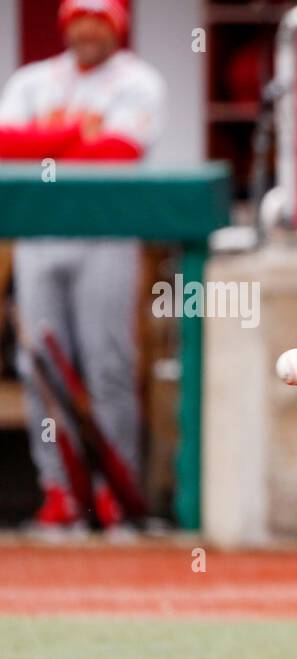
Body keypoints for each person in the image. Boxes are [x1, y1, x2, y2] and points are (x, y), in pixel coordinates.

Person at [0, 0, 165, 530]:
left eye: (101, 19)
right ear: (66, 24)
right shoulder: (32, 81)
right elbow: (6, 145)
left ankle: (114, 492)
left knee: (108, 365)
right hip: (39, 238)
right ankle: (61, 492)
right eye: (81, 18)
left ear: (117, 26)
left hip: (105, 236)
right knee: (40, 368)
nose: (90, 28)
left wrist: (47, 144)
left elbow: (118, 152)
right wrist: (77, 135)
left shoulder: (139, 81)